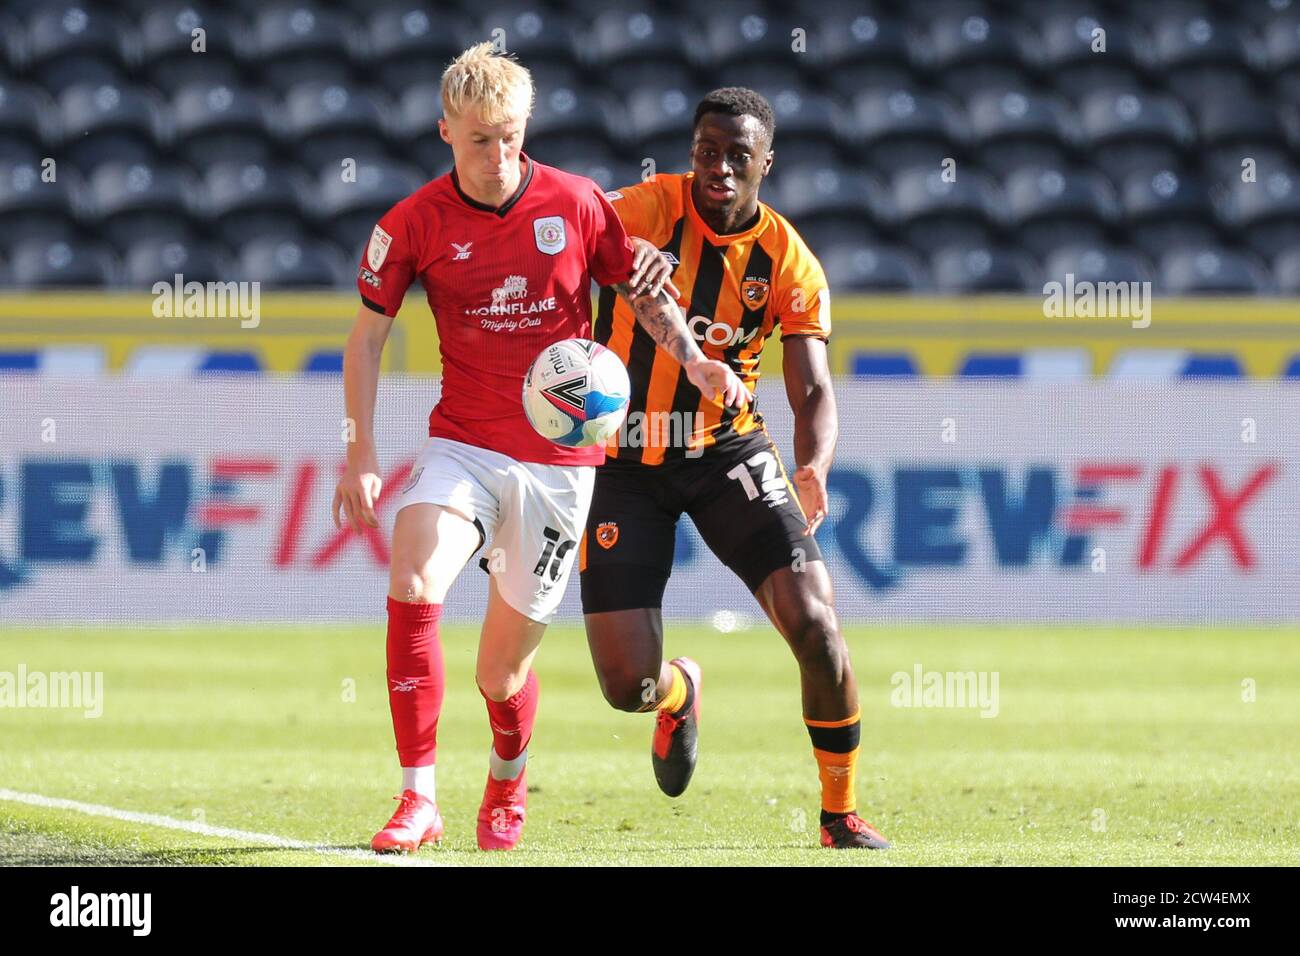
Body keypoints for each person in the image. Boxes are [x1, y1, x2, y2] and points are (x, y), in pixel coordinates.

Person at [333, 45, 745, 853]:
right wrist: (360, 451)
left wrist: (694, 359)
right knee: (413, 575)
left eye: (512, 137)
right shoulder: (411, 223)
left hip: (561, 466)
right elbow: (365, 342)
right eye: (481, 139)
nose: (499, 156)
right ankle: (418, 798)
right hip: (464, 445)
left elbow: (640, 288)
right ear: (444, 130)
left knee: (500, 675)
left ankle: (507, 774)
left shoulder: (578, 203)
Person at [580, 87, 890, 849]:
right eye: (706, 153)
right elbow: (577, 226)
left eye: (737, 157)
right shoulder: (650, 208)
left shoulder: (788, 259)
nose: (719, 169)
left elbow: (813, 386)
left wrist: (814, 463)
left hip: (727, 451)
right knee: (629, 687)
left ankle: (839, 813)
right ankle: (680, 691)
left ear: (766, 164)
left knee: (817, 625)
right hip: (621, 459)